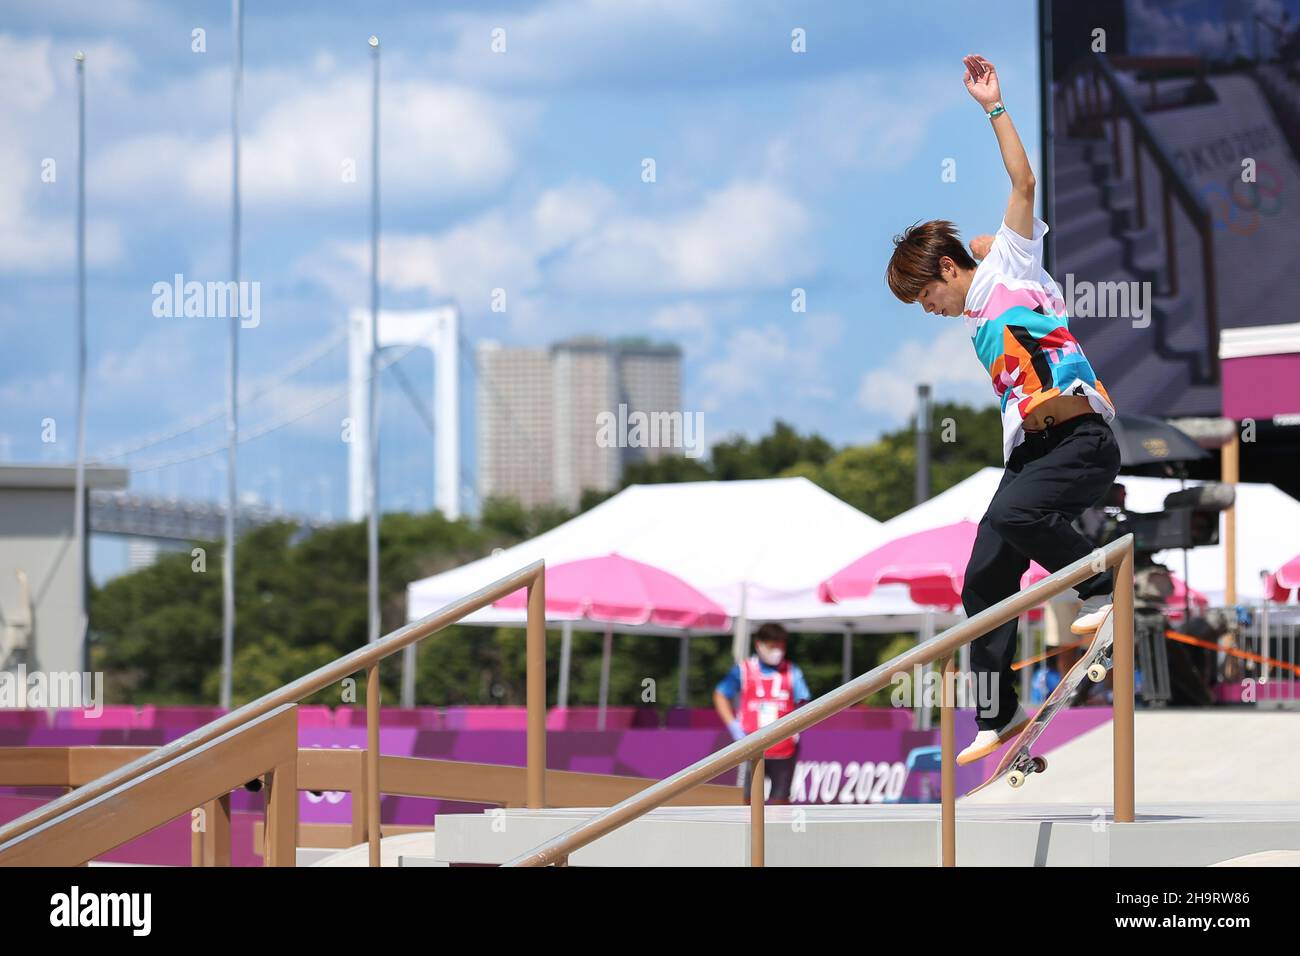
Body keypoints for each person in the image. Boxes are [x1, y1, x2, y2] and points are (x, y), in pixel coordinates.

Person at [884, 55, 1122, 765]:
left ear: (949, 272)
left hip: (1080, 434)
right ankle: (998, 714)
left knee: (1018, 518)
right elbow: (969, 246)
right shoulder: (971, 302)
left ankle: (1100, 586)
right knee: (984, 575)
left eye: (927, 297)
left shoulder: (1008, 267)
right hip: (1033, 451)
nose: (931, 311)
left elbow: (1023, 183)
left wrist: (994, 107)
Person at [712, 623, 811, 804]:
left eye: (781, 646)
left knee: (781, 801)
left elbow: (804, 702)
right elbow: (720, 694)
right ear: (759, 645)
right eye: (773, 646)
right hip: (751, 747)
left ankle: (778, 832)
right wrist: (733, 726)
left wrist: (796, 725)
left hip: (784, 748)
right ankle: (749, 833)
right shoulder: (744, 670)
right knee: (747, 800)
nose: (777, 651)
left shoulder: (792, 672)